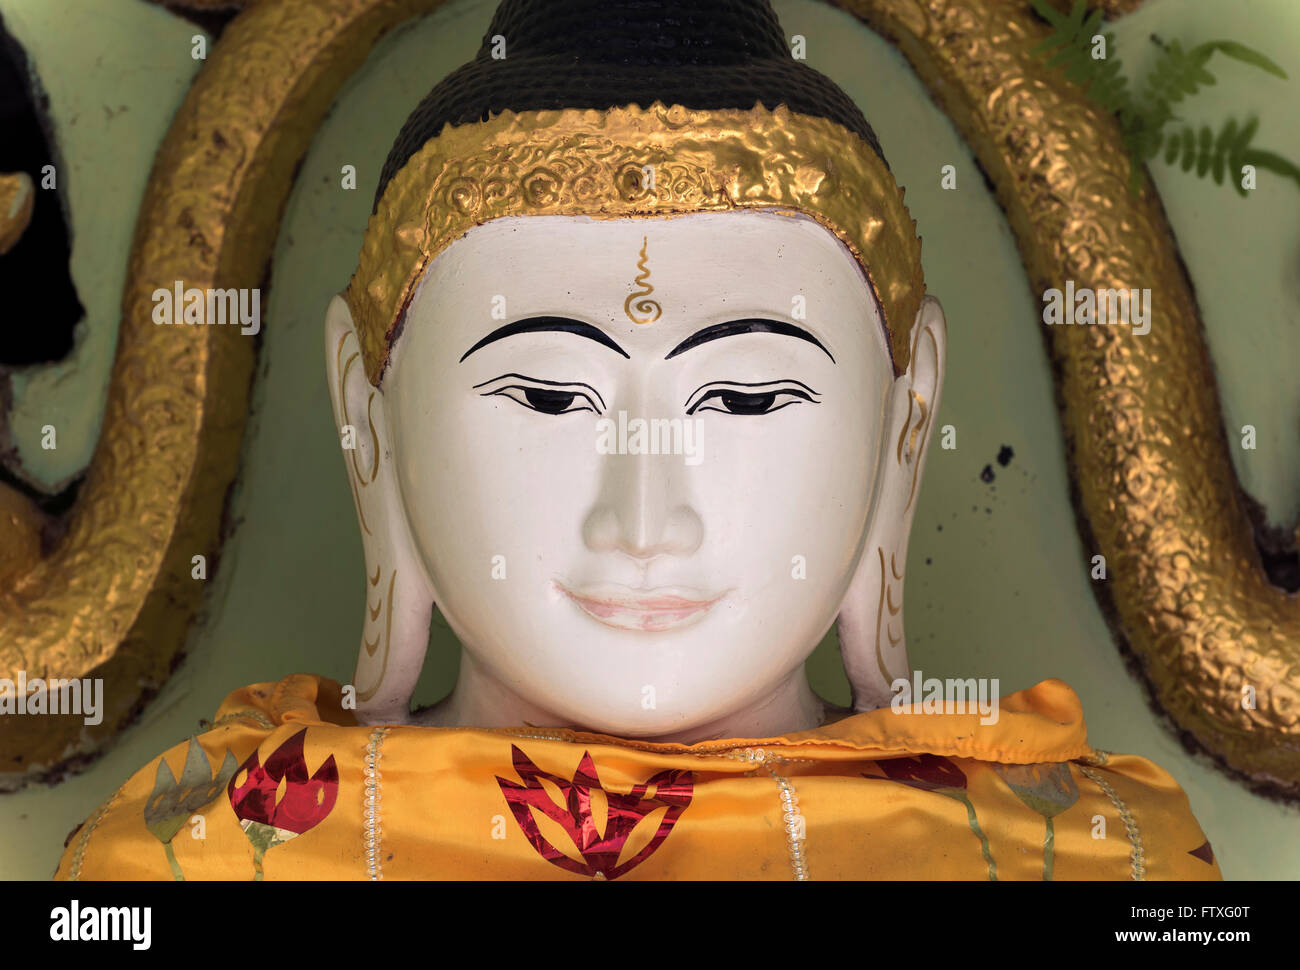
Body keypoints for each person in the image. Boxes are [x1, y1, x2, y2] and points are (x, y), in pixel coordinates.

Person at [55, 0, 1217, 881]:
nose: (645, 521)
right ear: (370, 420)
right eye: (552, 397)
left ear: (903, 425)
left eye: (750, 398)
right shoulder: (202, 855)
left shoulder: (1098, 858)